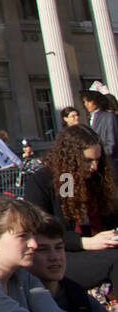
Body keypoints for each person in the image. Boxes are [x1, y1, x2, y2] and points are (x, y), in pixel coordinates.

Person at [23, 125, 118, 293]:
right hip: (60, 255)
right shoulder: (45, 182)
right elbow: (43, 231)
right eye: (88, 161)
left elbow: (111, 218)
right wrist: (86, 242)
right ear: (71, 159)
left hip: (97, 249)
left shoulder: (98, 180)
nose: (95, 167)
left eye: (98, 160)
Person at [27, 218, 118, 312]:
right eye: (43, 250)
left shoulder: (78, 296)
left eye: (59, 248)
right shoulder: (17, 299)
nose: (54, 257)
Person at [81, 90, 117, 163]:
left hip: (108, 162)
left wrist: (96, 156)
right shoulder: (89, 118)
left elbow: (112, 143)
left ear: (96, 101)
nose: (86, 104)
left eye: (89, 101)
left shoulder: (108, 116)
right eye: (84, 102)